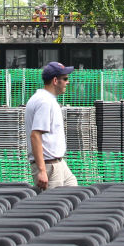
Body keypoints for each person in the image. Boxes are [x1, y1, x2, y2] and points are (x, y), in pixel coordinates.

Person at [26, 61, 78, 190]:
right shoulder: (45, 102)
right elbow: (35, 135)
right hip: (49, 166)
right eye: (65, 79)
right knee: (55, 205)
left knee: (74, 191)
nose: (68, 82)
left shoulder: (45, 99)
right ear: (55, 80)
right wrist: (42, 171)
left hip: (58, 163)